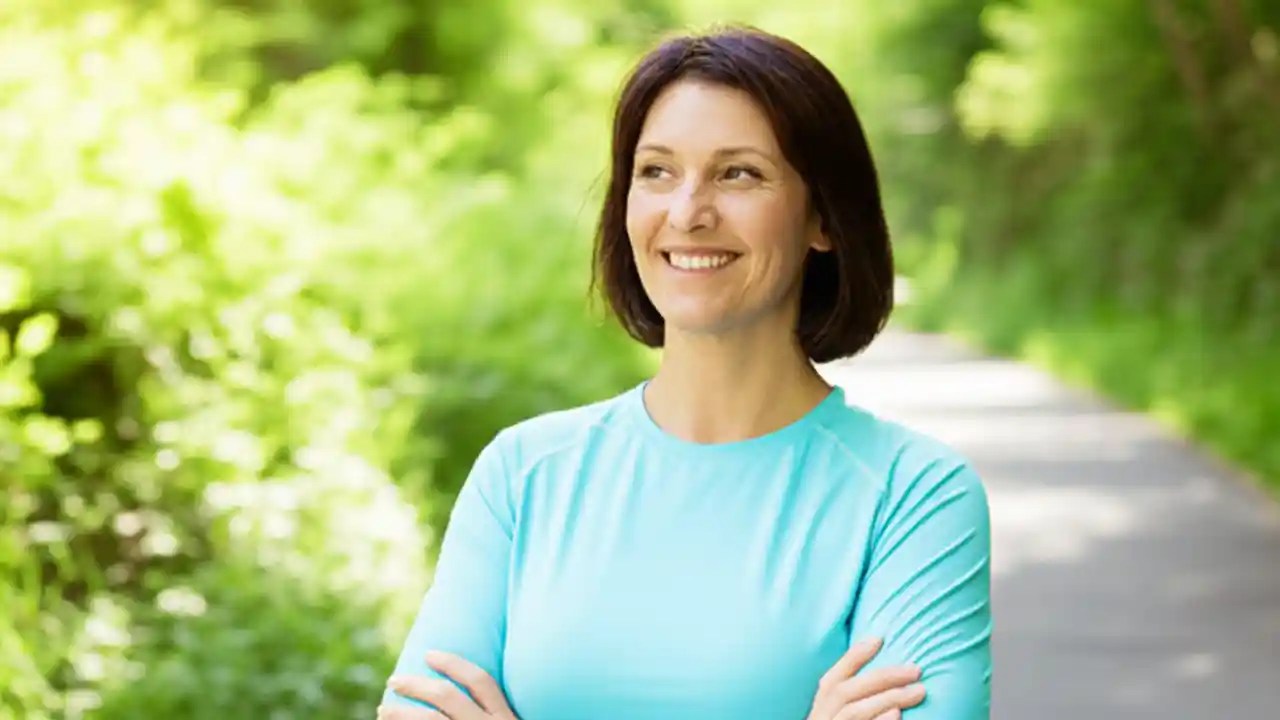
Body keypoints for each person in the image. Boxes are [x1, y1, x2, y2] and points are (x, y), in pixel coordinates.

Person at [376, 25, 992, 720]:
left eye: (739, 174)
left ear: (822, 218)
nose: (688, 213)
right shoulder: (522, 476)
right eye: (657, 172)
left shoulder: (914, 498)